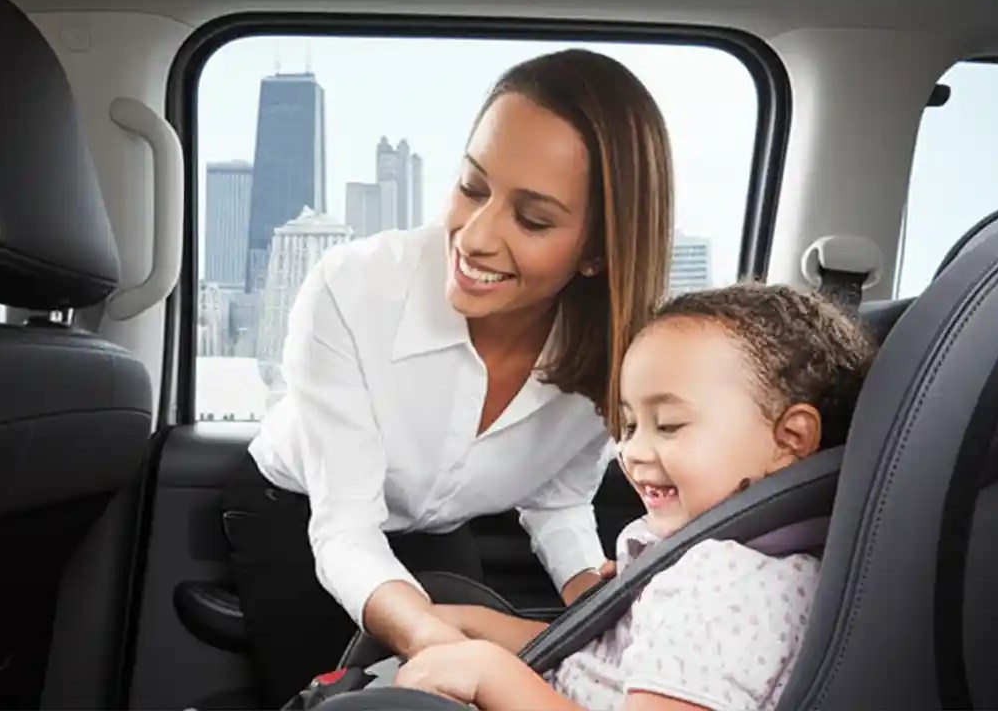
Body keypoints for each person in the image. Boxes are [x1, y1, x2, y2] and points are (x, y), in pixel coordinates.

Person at [222, 47, 675, 706]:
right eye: (472, 187)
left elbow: (559, 499)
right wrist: (436, 642)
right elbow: (346, 528)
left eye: (533, 218)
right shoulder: (355, 288)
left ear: (599, 252)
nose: (475, 236)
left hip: (438, 526)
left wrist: (591, 600)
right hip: (299, 509)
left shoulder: (619, 356)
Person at [392, 283, 878, 711]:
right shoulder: (724, 559)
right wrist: (478, 626)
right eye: (628, 425)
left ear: (789, 439)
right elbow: (605, 661)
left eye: (668, 425)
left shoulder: (726, 583)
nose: (634, 450)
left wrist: (488, 672)